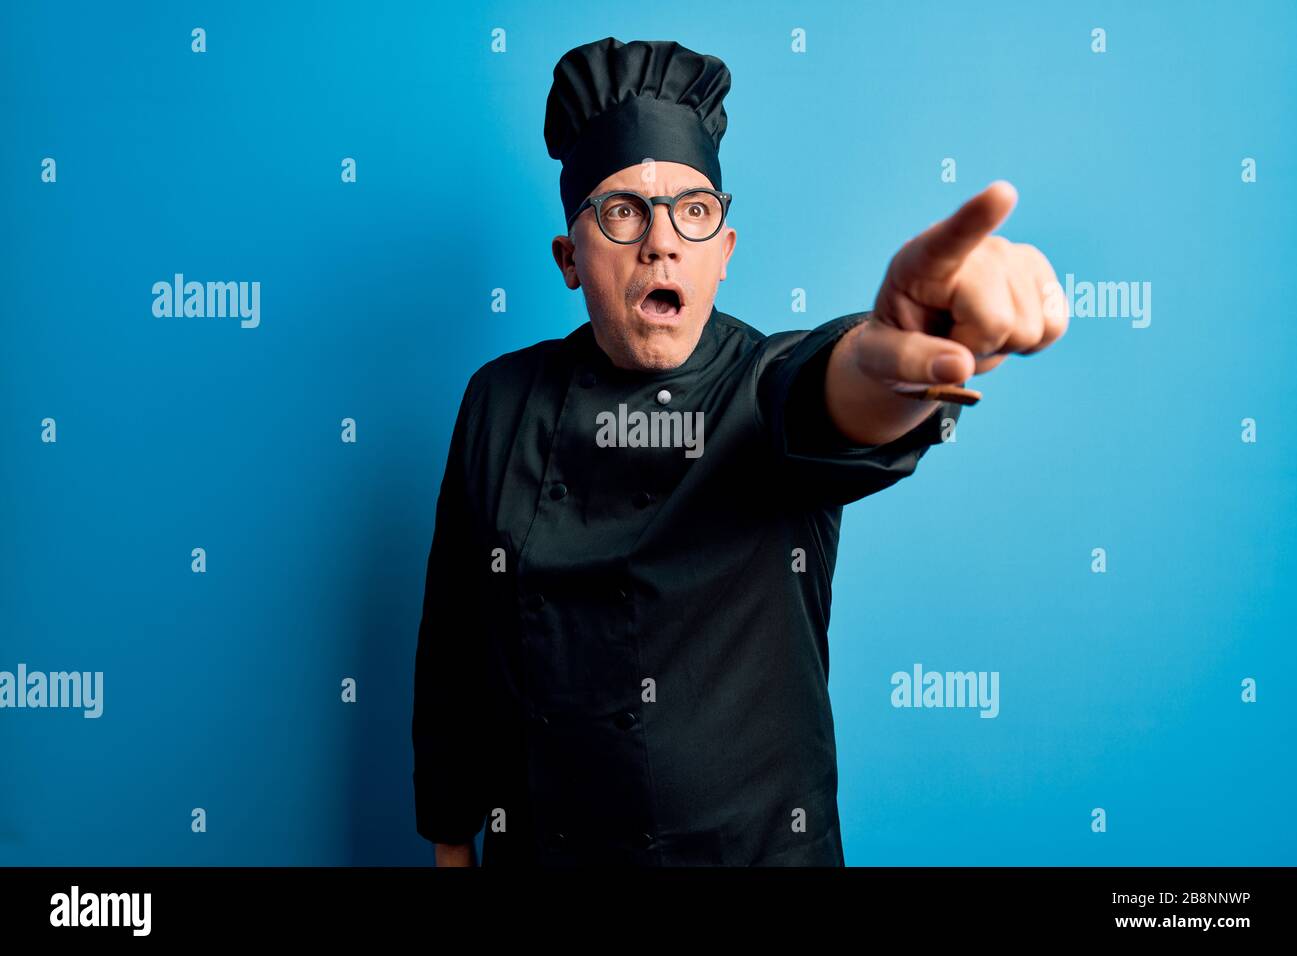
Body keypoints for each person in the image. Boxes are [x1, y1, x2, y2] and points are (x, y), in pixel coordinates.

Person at [412, 37, 1066, 867]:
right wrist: (450, 843)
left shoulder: (766, 388)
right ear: (570, 259)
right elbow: (455, 644)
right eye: (622, 211)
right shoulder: (498, 402)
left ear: (722, 251)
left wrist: (905, 352)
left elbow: (839, 392)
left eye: (693, 211)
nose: (661, 242)